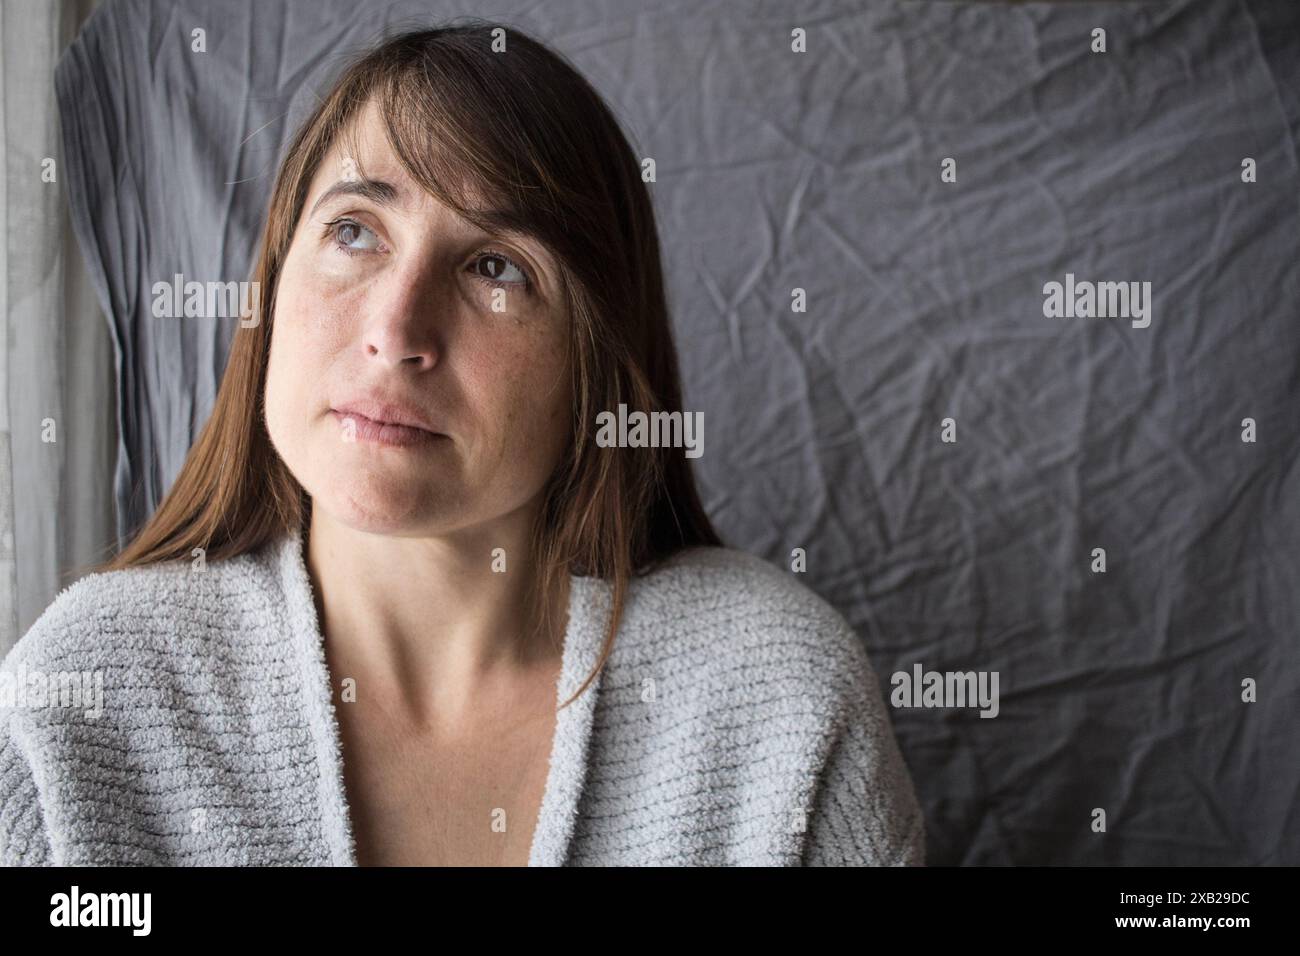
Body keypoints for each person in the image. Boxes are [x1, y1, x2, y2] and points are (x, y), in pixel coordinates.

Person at [0, 21, 924, 866]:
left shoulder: (784, 704)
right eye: (355, 231)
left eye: (496, 267)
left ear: (595, 362)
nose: (398, 329)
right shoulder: (84, 693)